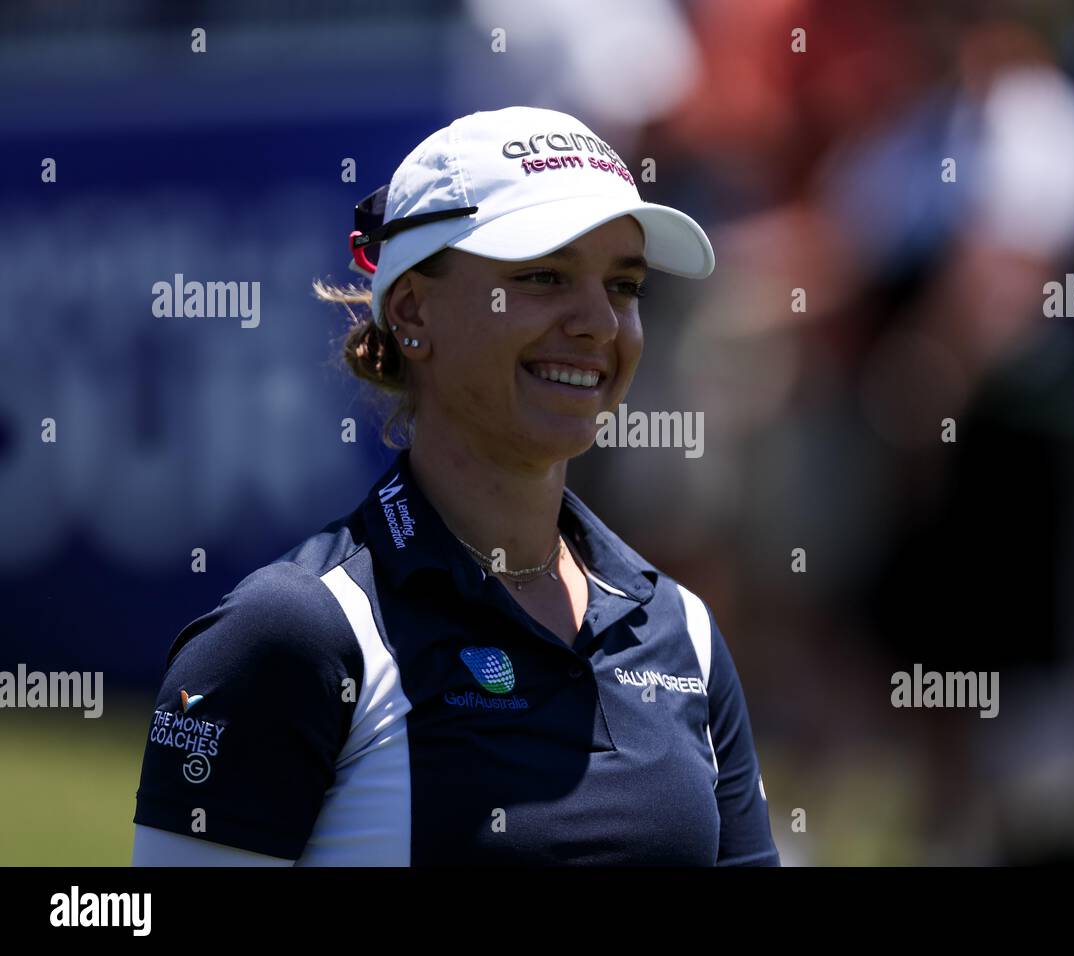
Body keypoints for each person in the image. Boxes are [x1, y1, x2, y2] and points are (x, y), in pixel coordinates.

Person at [131, 105, 780, 866]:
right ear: (412, 311)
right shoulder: (289, 637)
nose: (601, 323)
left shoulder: (685, 636)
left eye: (625, 284)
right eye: (544, 276)